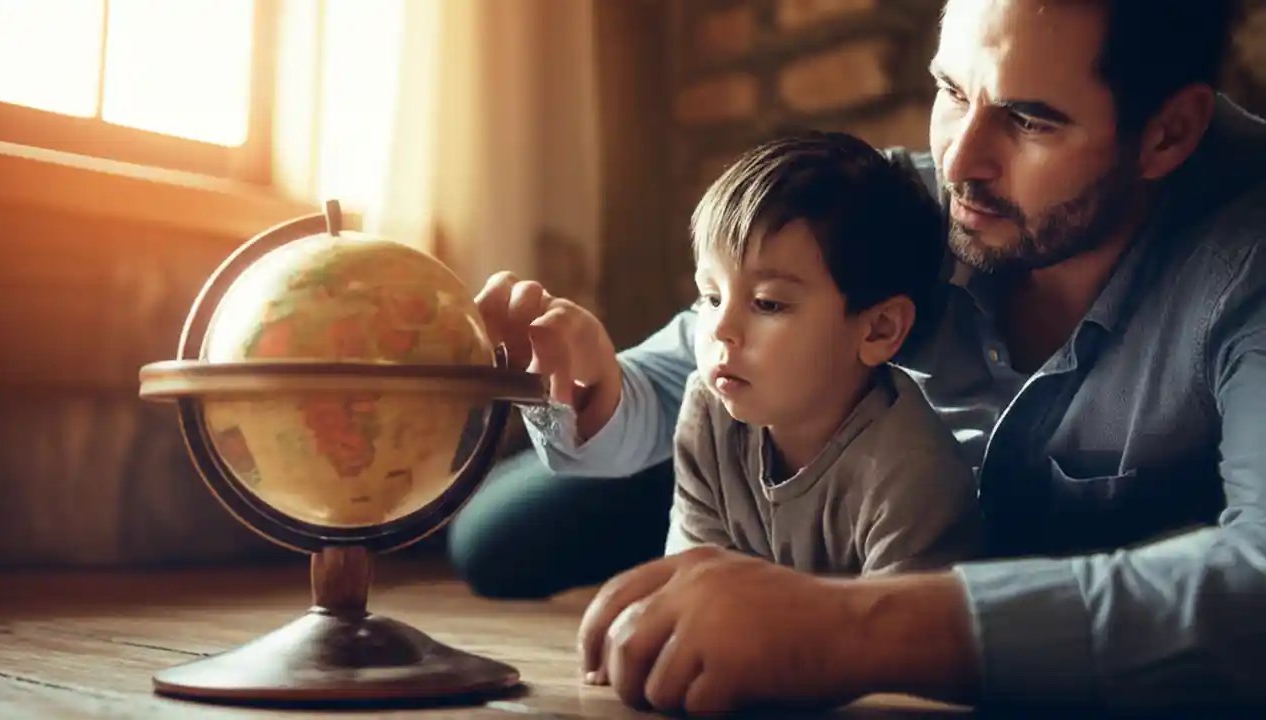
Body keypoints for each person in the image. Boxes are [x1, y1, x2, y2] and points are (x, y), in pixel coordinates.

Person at [458, 0, 1266, 712]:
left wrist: (841, 628)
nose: (958, 165)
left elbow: (1253, 578)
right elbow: (680, 370)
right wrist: (591, 385)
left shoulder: (1245, 264)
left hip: (925, 526)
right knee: (502, 531)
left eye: (1029, 120)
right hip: (810, 462)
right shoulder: (904, 204)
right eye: (953, 92)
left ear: (1168, 133)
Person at [662, 131, 980, 575]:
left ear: (879, 329)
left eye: (768, 304)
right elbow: (692, 586)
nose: (721, 329)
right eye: (711, 297)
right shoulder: (708, 414)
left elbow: (902, 619)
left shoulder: (915, 475)